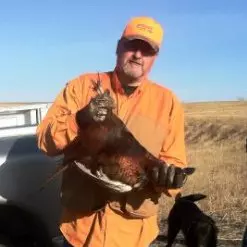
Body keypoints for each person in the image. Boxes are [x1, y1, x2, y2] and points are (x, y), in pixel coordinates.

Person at [36, 16, 188, 247]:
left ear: (154, 58)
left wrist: (170, 177)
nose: (138, 55)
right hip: (80, 231)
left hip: (133, 237)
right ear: (119, 47)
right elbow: (45, 141)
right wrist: (80, 120)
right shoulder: (81, 87)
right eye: (132, 45)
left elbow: (174, 162)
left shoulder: (167, 102)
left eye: (147, 50)